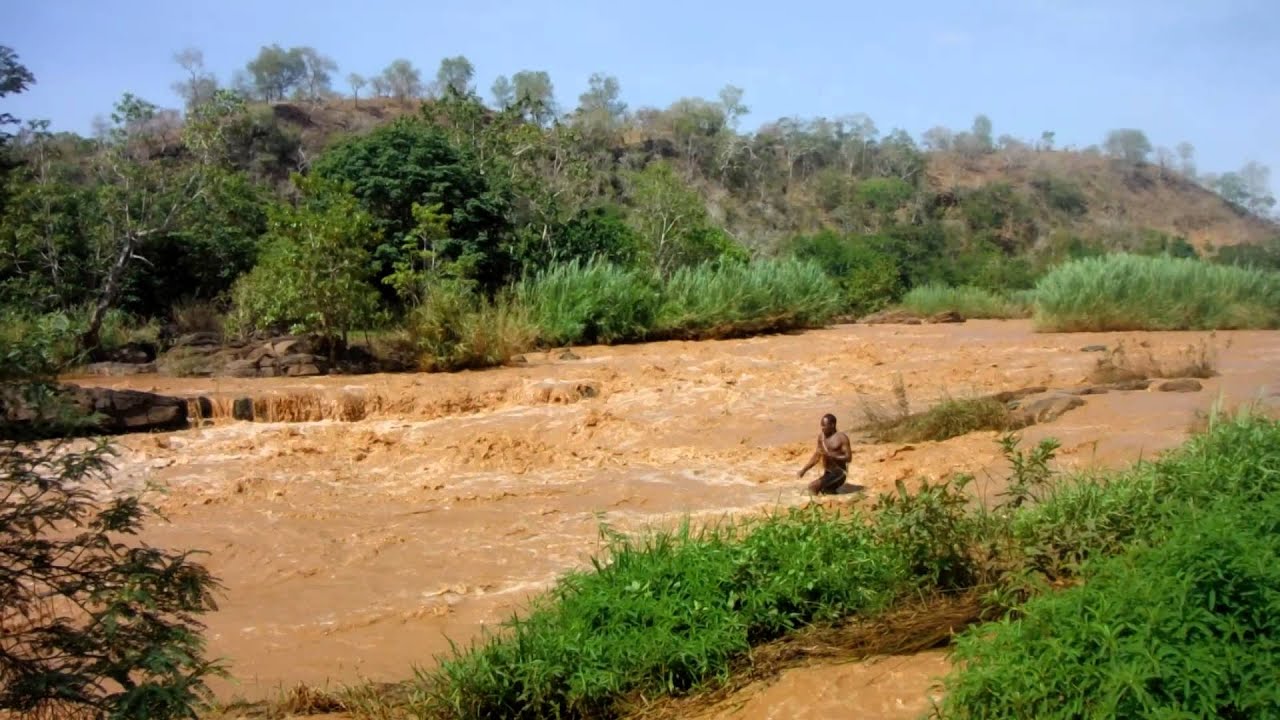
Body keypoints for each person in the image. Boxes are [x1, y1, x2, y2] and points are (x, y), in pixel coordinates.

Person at [797, 413, 852, 495]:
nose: (822, 428)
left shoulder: (842, 438)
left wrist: (832, 455)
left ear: (832, 425)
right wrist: (804, 470)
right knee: (826, 492)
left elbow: (848, 458)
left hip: (839, 473)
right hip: (828, 472)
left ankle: (813, 503)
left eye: (824, 426)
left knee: (812, 487)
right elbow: (816, 456)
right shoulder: (821, 437)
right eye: (821, 426)